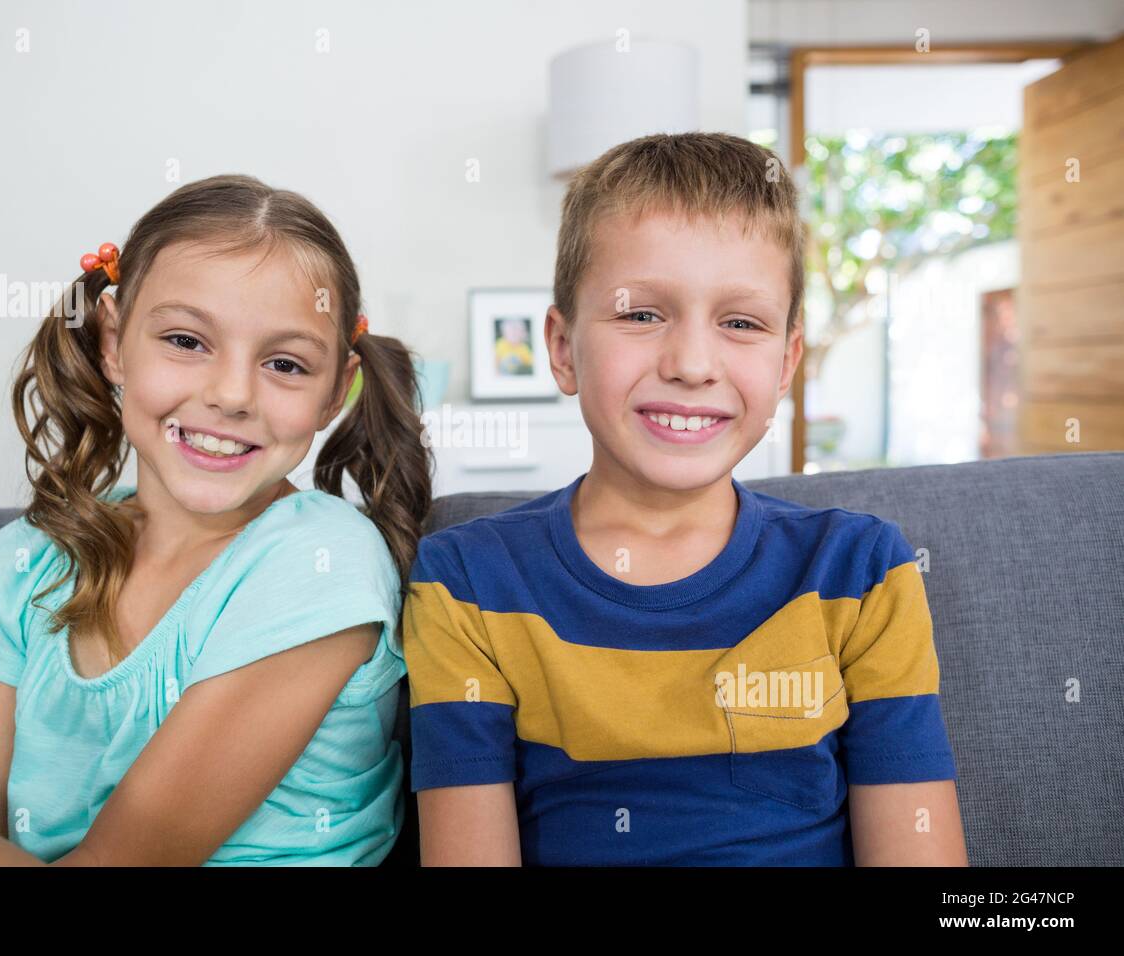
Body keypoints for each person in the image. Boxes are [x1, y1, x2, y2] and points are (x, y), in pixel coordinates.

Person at [0, 174, 433, 866]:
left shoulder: (321, 563)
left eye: (286, 363)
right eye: (185, 340)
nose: (231, 395)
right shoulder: (23, 561)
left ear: (335, 393)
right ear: (113, 340)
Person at [402, 132, 967, 866]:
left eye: (741, 323)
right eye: (641, 314)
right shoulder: (466, 581)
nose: (693, 364)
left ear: (787, 359)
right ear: (564, 347)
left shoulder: (860, 570)